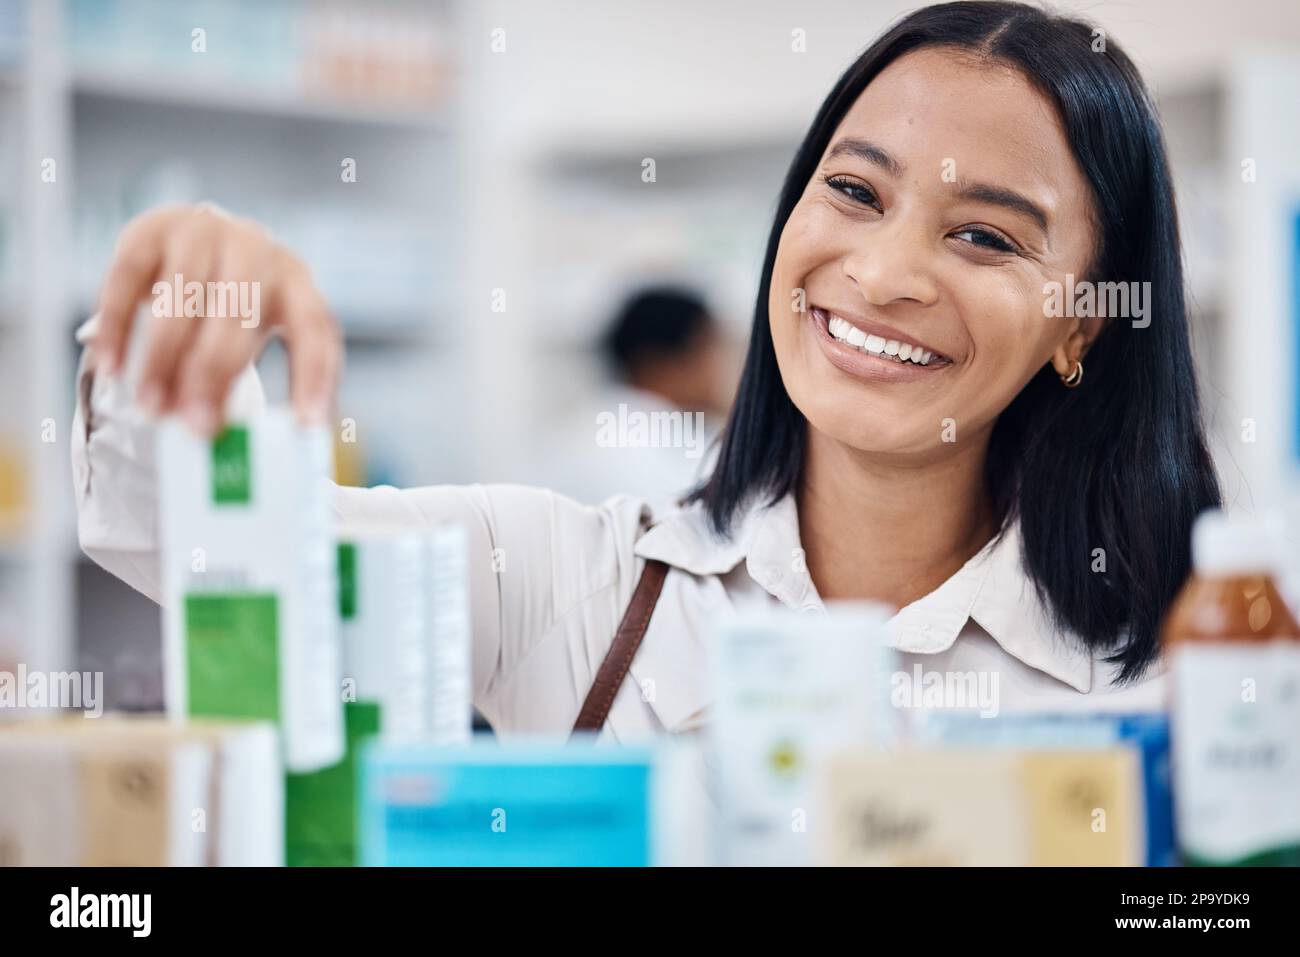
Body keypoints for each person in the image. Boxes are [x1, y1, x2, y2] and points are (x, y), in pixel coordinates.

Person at [74, 2, 1220, 744]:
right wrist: (185, 308)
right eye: (855, 192)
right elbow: (173, 532)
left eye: (985, 236)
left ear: (1083, 323)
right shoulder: (560, 583)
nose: (882, 273)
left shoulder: (1186, 674)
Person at [531, 285, 732, 509]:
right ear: (660, 363)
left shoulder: (584, 432)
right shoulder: (639, 450)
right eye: (713, 349)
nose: (729, 367)